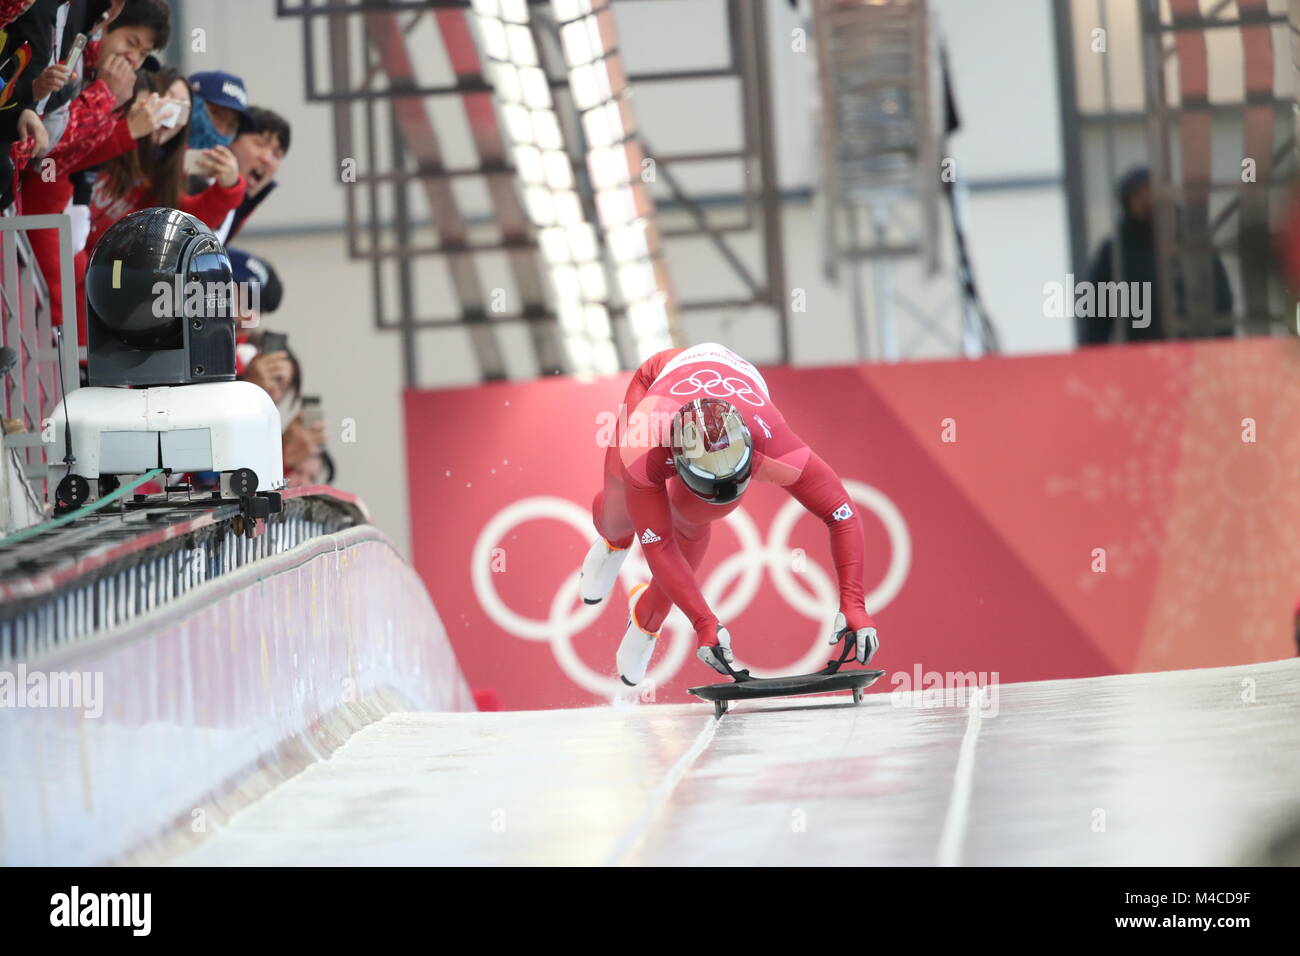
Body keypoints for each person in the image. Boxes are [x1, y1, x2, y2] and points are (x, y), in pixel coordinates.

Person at [579, 342, 879, 685]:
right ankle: (613, 543)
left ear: (751, 457)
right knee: (619, 513)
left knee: (691, 520)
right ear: (676, 460)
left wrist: (854, 603)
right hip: (657, 381)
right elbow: (659, 546)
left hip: (734, 399)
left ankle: (647, 620)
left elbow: (842, 514)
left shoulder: (776, 444)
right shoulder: (643, 444)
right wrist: (704, 623)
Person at [1080, 166, 1233, 344]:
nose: (1147, 201)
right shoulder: (1115, 253)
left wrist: (1223, 346)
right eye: (1139, 195)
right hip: (1139, 355)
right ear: (1127, 202)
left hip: (1193, 350)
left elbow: (1221, 301)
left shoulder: (1193, 244)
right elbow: (1096, 314)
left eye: (1152, 193)